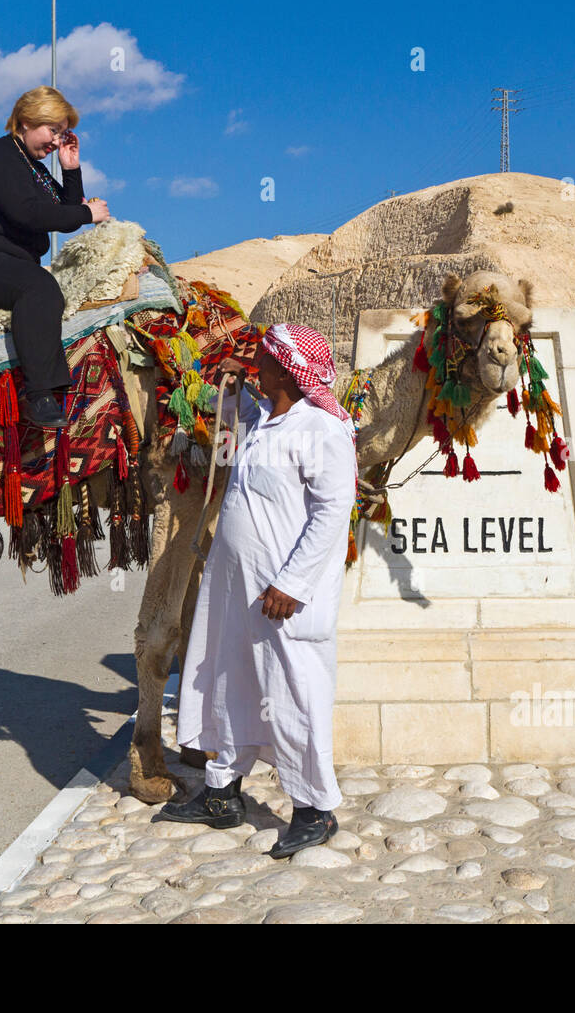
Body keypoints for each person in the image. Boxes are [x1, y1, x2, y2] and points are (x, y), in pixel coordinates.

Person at [159, 324, 358, 859]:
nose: (254, 367)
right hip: (234, 590)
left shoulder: (322, 430)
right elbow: (226, 407)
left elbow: (332, 513)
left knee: (293, 693)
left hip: (284, 596)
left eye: (263, 361)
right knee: (229, 680)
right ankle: (222, 793)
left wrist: (291, 583)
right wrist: (222, 382)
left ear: (288, 370)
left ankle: (315, 809)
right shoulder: (263, 419)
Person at [0, 86, 111, 427]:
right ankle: (41, 396)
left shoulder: (35, 169)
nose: (56, 140)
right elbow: (28, 214)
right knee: (39, 287)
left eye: (63, 133)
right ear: (27, 121)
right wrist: (87, 215)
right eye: (53, 130)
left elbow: (64, 212)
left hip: (8, 265)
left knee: (40, 283)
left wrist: (70, 169)